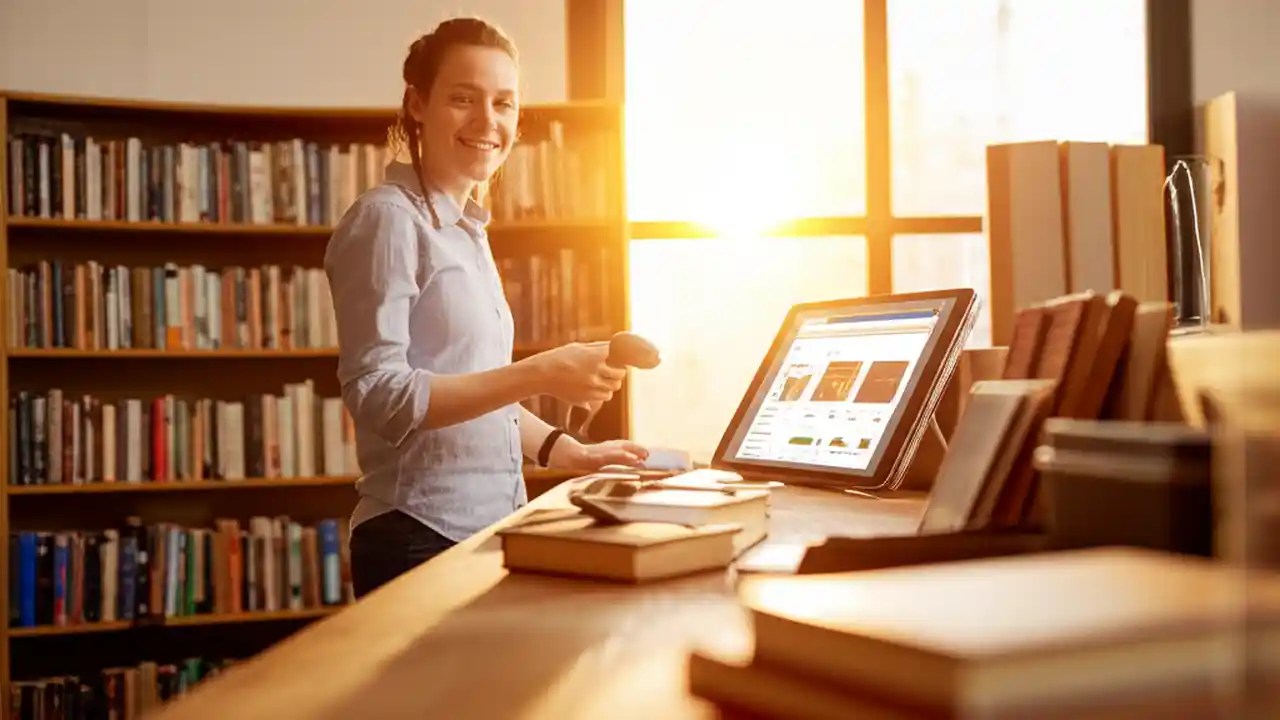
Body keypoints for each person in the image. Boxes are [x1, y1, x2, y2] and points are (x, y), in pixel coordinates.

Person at [324, 17, 648, 599]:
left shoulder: (467, 230)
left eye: (504, 103)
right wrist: (544, 371)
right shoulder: (388, 219)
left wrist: (568, 451)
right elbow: (379, 395)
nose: (487, 122)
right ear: (418, 105)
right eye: (463, 99)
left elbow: (469, 391)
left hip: (489, 527)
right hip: (416, 535)